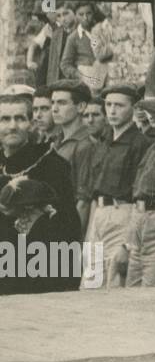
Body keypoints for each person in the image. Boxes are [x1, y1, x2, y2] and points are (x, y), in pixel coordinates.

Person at [0, 94, 83, 295]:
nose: (12, 126)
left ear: (31, 123)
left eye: (20, 118)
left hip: (37, 270)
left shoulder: (51, 165)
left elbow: (68, 224)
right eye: (5, 119)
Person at [80, 84, 151, 289]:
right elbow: (95, 191)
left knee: (113, 282)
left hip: (124, 215)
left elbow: (140, 197)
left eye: (119, 105)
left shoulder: (140, 143)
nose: (112, 110)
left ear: (134, 108)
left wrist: (127, 243)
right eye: (109, 105)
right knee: (90, 283)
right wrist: (89, 234)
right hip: (100, 214)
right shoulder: (103, 142)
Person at [48, 80, 100, 234]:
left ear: (81, 107)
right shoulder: (56, 142)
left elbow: (84, 201)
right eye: (53, 103)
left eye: (62, 103)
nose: (54, 109)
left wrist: (73, 238)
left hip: (69, 227)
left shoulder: (86, 145)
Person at [125, 108, 155, 287]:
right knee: (131, 285)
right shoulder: (154, 145)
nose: (150, 115)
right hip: (140, 217)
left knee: (151, 286)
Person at [60, 2, 113, 94]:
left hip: (107, 77)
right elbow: (65, 64)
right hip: (88, 83)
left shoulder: (102, 30)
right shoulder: (74, 38)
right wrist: (80, 75)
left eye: (89, 13)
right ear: (76, 15)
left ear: (93, 13)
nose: (85, 17)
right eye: (81, 14)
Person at [27, 4, 75, 87]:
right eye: (58, 16)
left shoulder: (76, 29)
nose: (63, 19)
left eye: (65, 14)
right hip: (52, 69)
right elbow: (33, 45)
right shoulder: (49, 28)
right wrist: (29, 62)